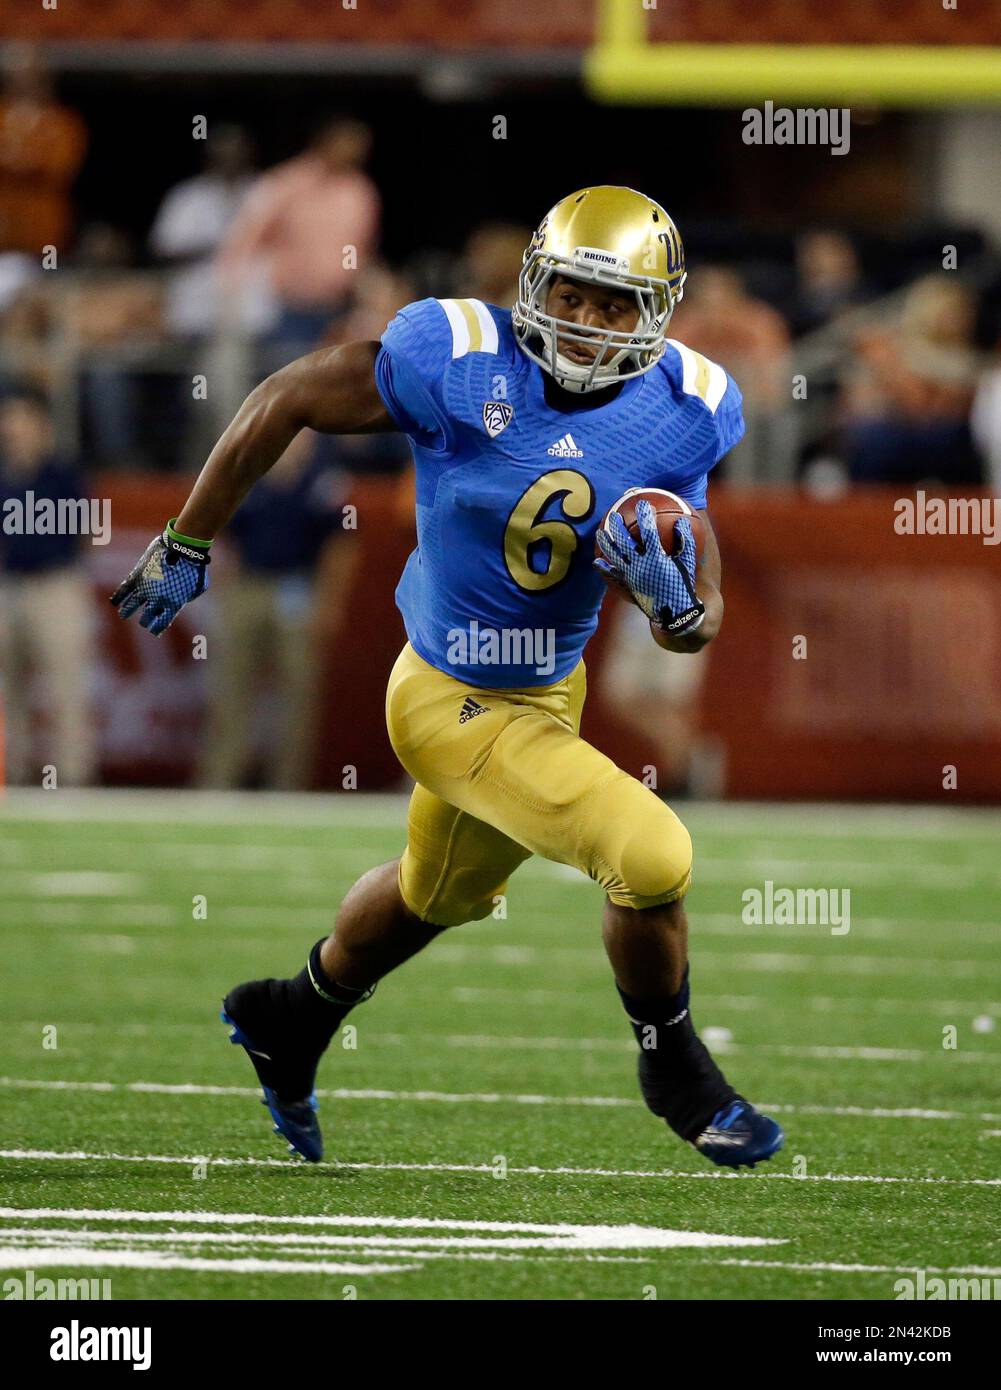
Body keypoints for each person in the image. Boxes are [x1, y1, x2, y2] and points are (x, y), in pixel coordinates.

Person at [110, 185, 783, 1171]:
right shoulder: (459, 359)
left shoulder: (683, 410)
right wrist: (186, 536)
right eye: (568, 291)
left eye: (610, 304)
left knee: (434, 893)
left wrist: (682, 612)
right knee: (651, 855)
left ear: (655, 312)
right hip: (444, 696)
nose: (583, 320)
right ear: (531, 282)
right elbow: (287, 393)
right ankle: (672, 1064)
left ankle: (289, 1015)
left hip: (549, 695)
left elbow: (697, 611)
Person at [217, 116, 380, 356]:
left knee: (334, 381)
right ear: (325, 143)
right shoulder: (284, 183)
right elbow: (246, 239)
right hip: (288, 307)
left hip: (340, 307)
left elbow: (365, 247)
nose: (356, 153)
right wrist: (233, 290)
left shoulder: (360, 191)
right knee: (288, 376)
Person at [0, 384, 95, 786]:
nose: (14, 427)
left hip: (54, 586)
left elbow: (86, 532)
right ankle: (12, 772)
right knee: (6, 692)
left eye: (22, 418)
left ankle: (73, 777)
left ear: (42, 425)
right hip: (7, 586)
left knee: (66, 689)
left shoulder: (62, 473)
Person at [0, 44, 87, 255]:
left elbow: (60, 167)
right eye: (18, 75)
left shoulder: (64, 122)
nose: (26, 82)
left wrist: (14, 160)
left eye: (32, 75)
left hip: (43, 233)